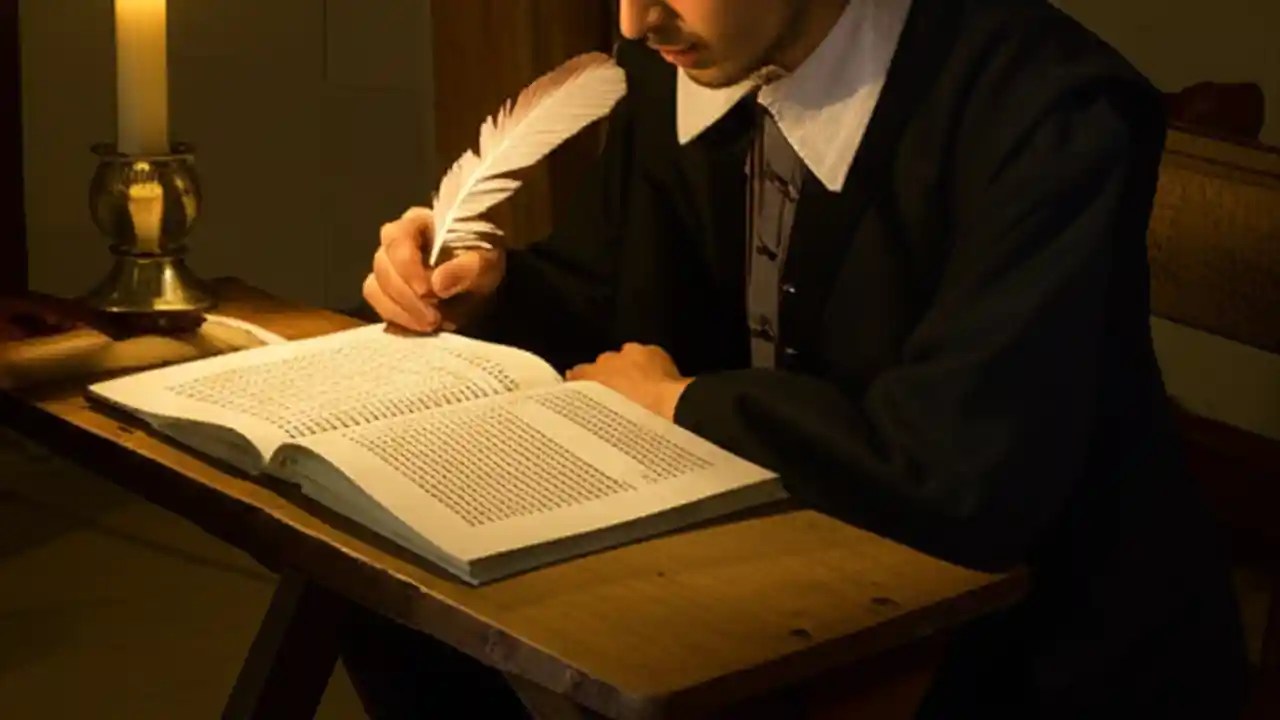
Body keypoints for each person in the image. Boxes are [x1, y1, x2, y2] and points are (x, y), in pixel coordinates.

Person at [352, 0, 1250, 716]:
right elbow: (614, 296)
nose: (631, 21)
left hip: (1032, 642)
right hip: (777, 583)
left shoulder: (1051, 110)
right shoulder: (687, 55)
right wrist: (490, 288)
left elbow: (963, 475)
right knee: (384, 595)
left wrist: (684, 407)